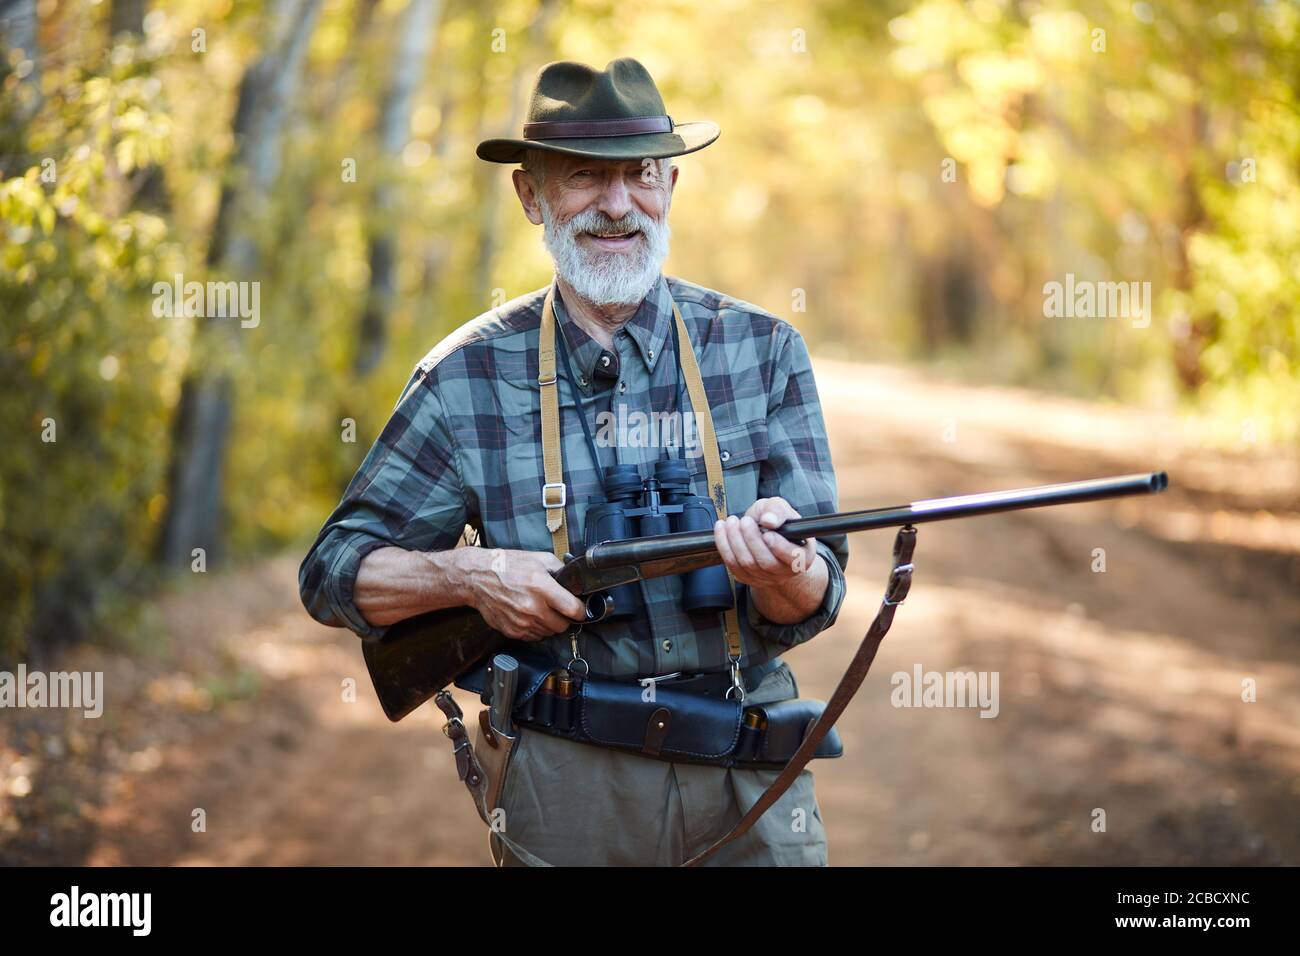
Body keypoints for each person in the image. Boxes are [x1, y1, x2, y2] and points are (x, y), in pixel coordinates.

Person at [300, 57, 848, 866]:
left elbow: (820, 591)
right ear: (531, 195)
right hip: (564, 787)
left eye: (642, 175)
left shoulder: (762, 351)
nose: (619, 204)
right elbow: (331, 571)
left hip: (751, 771)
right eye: (587, 177)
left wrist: (781, 567)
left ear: (671, 186)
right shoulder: (465, 377)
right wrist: (471, 579)